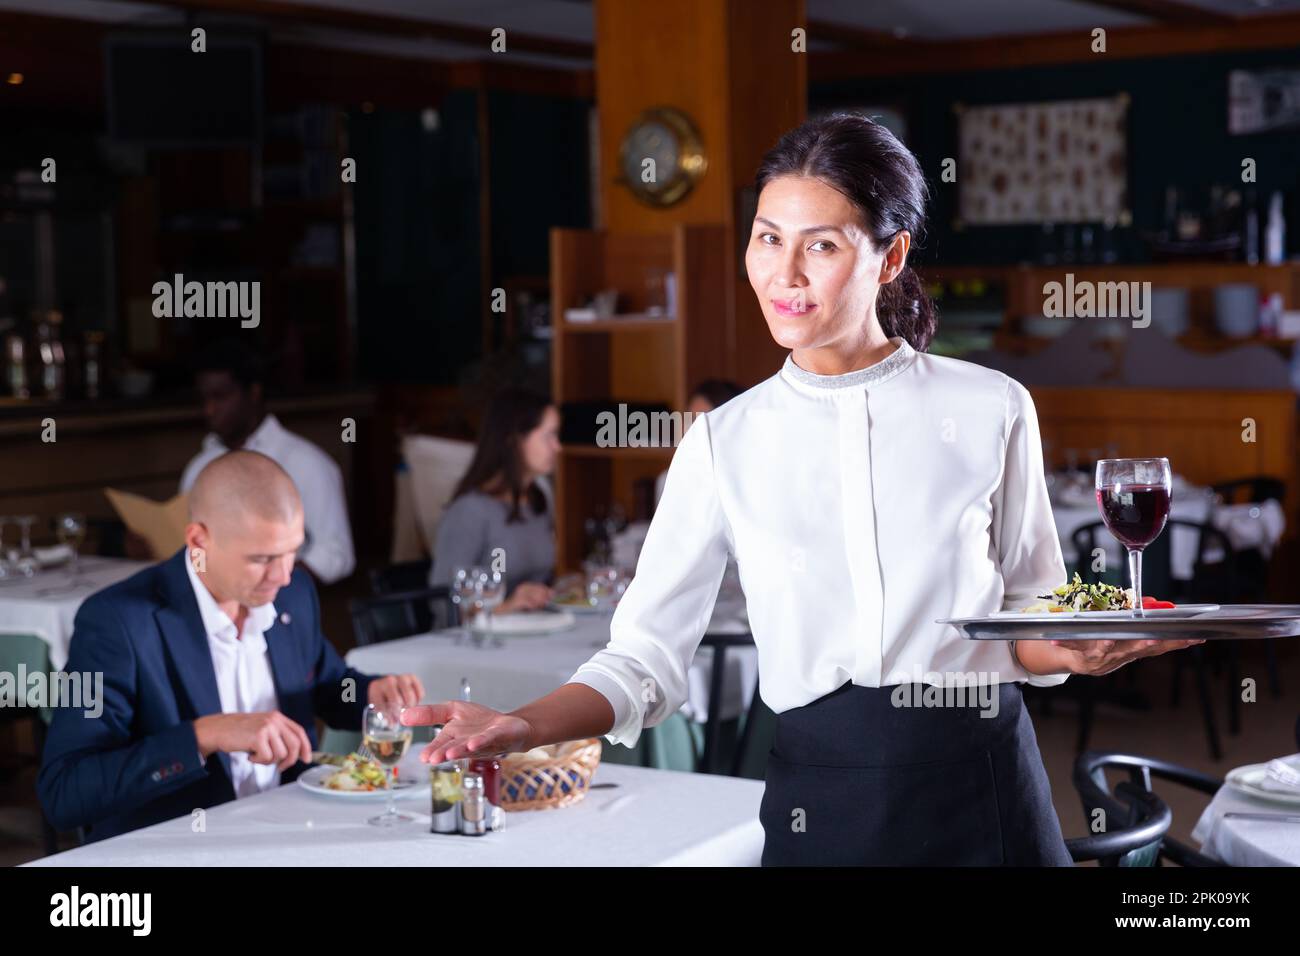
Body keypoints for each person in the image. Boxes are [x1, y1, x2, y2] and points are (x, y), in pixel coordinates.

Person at [399, 113, 1204, 866]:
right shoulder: (722, 441)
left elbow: (1028, 617)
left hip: (983, 780)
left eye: (820, 245)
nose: (784, 274)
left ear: (891, 257)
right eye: (768, 238)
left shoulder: (991, 405)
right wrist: (523, 724)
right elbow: (645, 656)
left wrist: (1076, 649)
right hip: (820, 795)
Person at [39, 451, 423, 842]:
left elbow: (325, 683)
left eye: (293, 551)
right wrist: (204, 735)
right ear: (199, 540)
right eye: (262, 558)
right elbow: (65, 791)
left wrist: (370, 693)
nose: (283, 575)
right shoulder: (115, 622)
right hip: (176, 848)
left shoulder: (292, 594)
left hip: (290, 833)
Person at [178, 339, 356, 585]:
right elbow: (192, 548)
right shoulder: (199, 467)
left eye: (220, 397)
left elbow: (337, 553)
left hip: (281, 597)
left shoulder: (306, 463)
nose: (209, 409)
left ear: (253, 392)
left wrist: (269, 581)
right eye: (203, 399)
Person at [428, 387, 560, 614]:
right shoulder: (470, 510)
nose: (557, 447)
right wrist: (507, 606)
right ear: (514, 439)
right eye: (549, 436)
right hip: (476, 634)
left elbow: (539, 580)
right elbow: (442, 602)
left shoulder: (538, 501)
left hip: (532, 627)